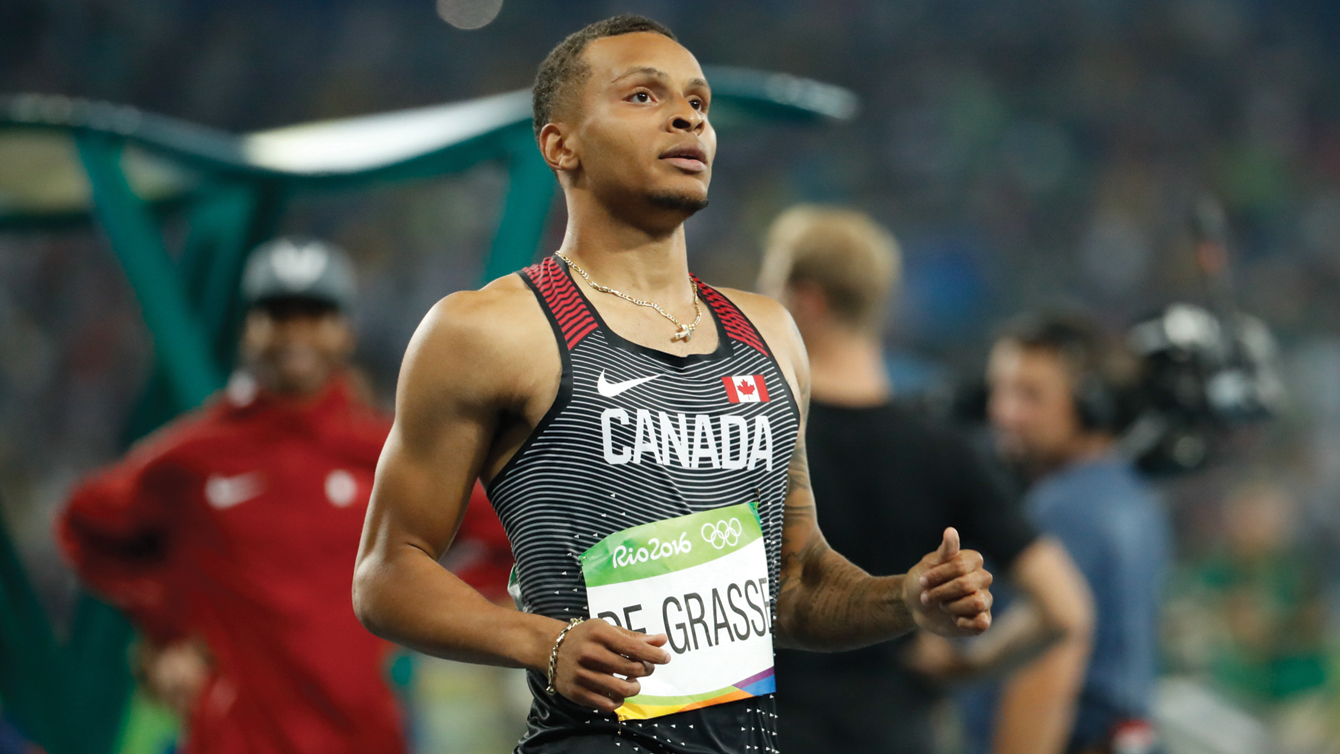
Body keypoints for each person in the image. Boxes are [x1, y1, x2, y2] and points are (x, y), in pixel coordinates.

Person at [352, 14, 995, 754]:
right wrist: (544, 643)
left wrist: (906, 597)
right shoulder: (489, 331)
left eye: (699, 102)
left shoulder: (771, 336)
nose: (689, 115)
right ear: (561, 144)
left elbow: (797, 584)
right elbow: (387, 572)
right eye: (643, 97)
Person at [757, 206, 1094, 754]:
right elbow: (1065, 608)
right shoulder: (946, 451)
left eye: (769, 290)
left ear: (807, 300)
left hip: (769, 732)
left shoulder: (750, 434)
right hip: (895, 734)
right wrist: (966, 667)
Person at [56, 238, 405, 754]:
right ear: (250, 330)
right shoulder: (194, 456)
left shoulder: (386, 453)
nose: (296, 332)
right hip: (236, 740)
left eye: (314, 313)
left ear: (344, 331)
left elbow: (501, 529)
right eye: (278, 313)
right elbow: (84, 523)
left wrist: (426, 620)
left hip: (364, 739)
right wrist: (167, 626)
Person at [982, 313, 1171, 754]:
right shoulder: (1132, 493)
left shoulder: (1065, 509)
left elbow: (1045, 668)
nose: (1003, 412)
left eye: (1029, 395)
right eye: (1000, 390)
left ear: (1091, 405)